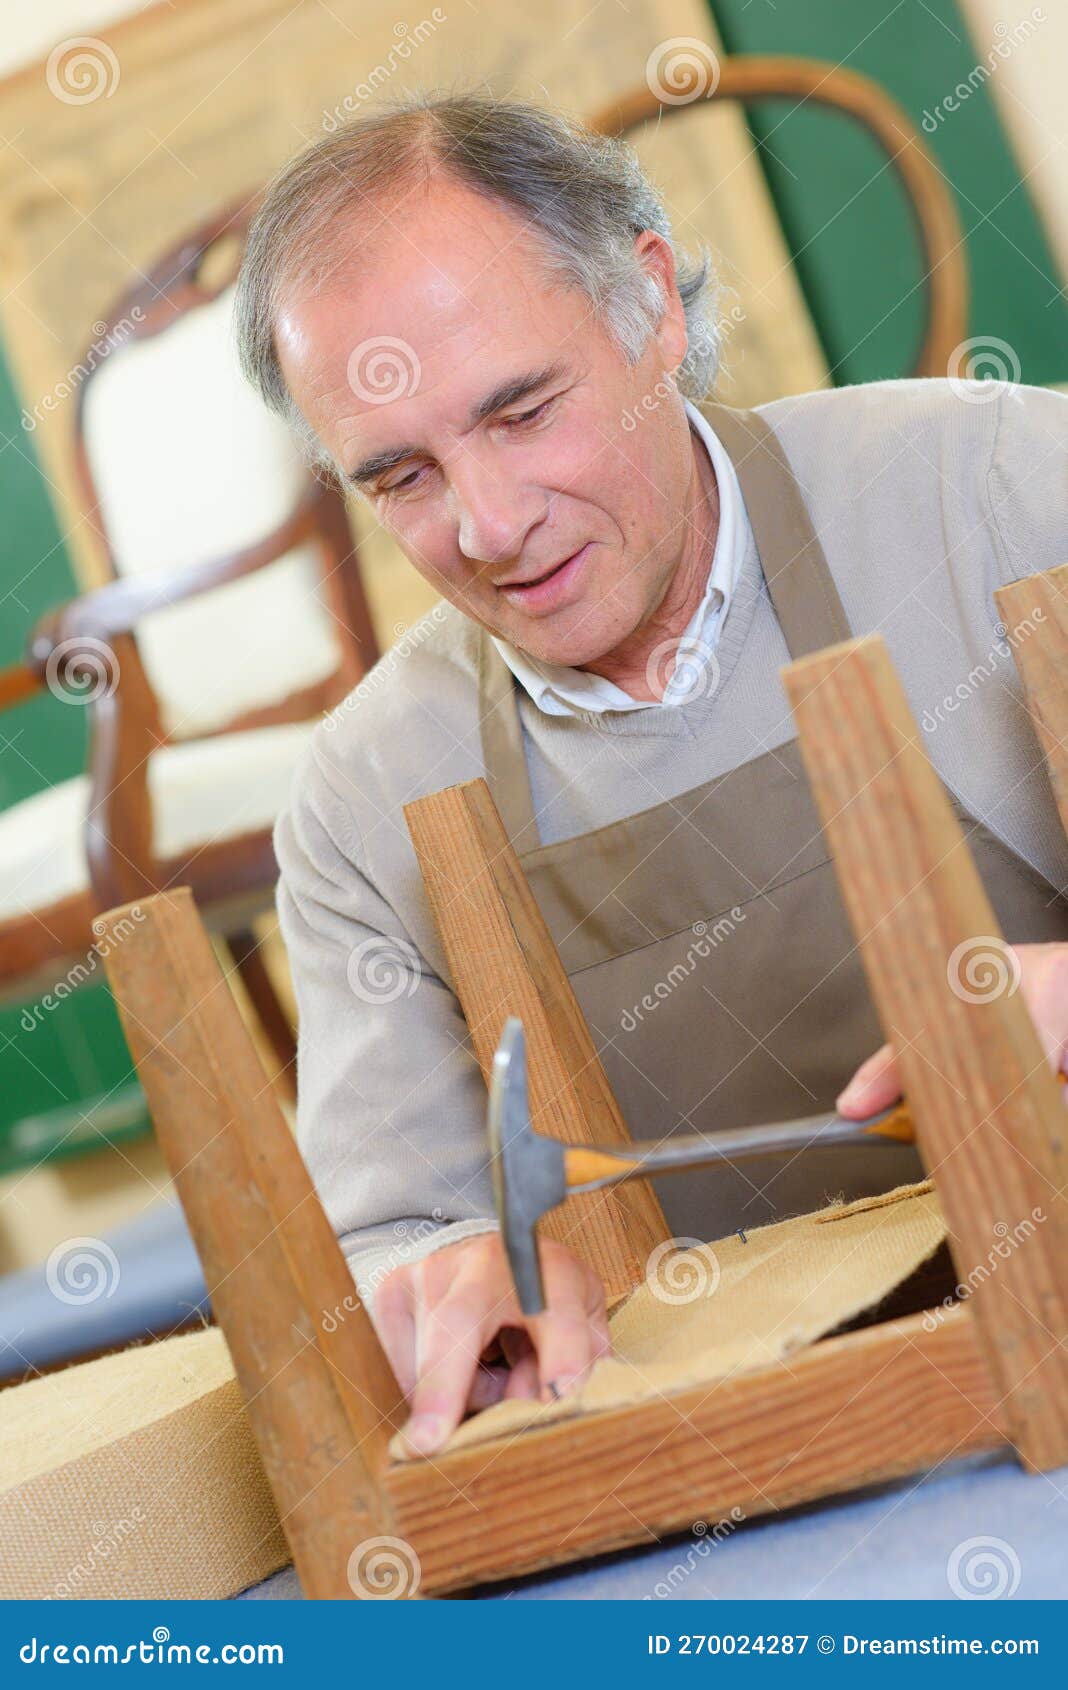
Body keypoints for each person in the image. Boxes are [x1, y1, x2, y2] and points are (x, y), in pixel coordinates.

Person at [233, 91, 1068, 1455]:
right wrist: (448, 1287)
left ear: (652, 303)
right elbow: (395, 1242)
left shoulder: (1007, 487)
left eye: (523, 409)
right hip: (754, 1465)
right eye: (401, 477)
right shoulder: (363, 801)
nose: (493, 526)